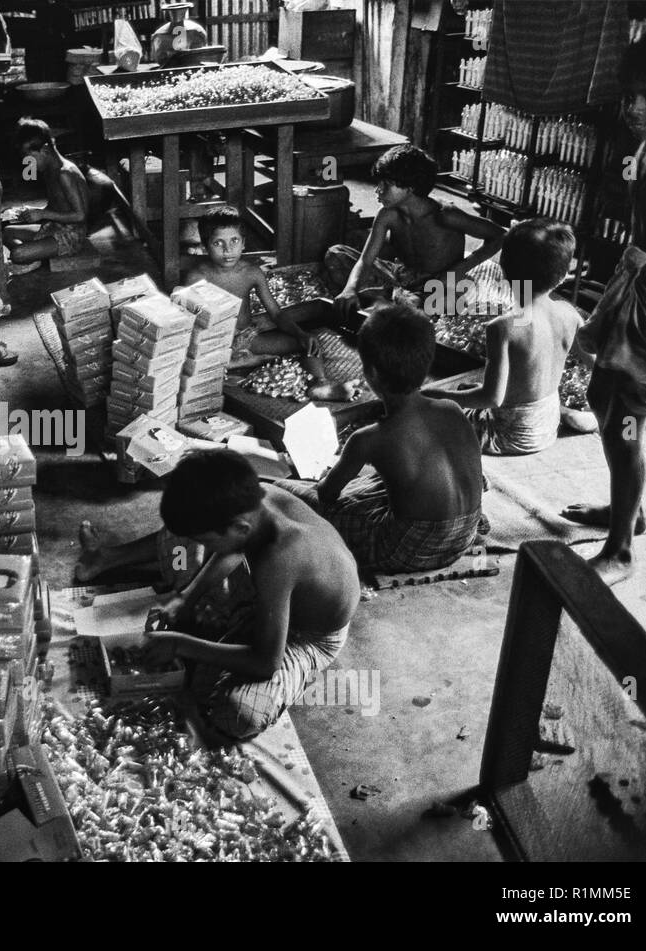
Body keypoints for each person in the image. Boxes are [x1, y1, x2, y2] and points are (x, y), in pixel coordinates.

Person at [562, 25, 646, 585]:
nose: (633, 108)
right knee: (601, 395)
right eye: (629, 94)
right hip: (640, 279)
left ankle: (621, 550)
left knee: (628, 416)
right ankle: (627, 510)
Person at [137, 450, 360, 741]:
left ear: (241, 527)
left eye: (207, 541)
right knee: (177, 536)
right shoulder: (257, 500)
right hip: (273, 591)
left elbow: (265, 662)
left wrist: (181, 645)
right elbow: (235, 547)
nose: (203, 547)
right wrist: (187, 597)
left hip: (311, 636)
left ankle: (291, 672)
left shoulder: (280, 558)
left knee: (235, 711)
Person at [275, 303, 487, 574]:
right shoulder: (452, 409)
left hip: (406, 550)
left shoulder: (370, 439)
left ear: (371, 373)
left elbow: (326, 494)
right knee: (379, 482)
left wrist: (323, 473)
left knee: (287, 494)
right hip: (465, 533)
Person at [421, 218, 582, 455]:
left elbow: (492, 399)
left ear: (504, 268)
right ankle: (576, 417)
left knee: (427, 412)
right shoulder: (569, 314)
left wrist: (436, 395)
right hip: (547, 427)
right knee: (468, 388)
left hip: (509, 435)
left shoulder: (503, 327)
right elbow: (598, 364)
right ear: (562, 276)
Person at [186, 208, 358, 402]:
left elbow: (276, 314)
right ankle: (236, 362)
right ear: (205, 246)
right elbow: (189, 324)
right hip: (213, 342)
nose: (228, 250)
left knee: (309, 344)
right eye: (218, 243)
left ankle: (319, 384)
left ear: (243, 243)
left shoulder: (252, 273)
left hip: (247, 337)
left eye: (234, 241)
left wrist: (300, 334)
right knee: (189, 360)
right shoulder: (197, 277)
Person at [326, 145, 505, 318]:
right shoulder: (387, 214)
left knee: (422, 310)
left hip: (438, 284)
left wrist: (460, 269)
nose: (378, 190)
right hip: (401, 275)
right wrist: (350, 289)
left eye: (386, 184)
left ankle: (393, 300)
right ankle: (394, 298)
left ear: (410, 188)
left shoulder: (444, 215)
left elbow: (499, 235)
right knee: (336, 254)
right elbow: (366, 261)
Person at [2, 119, 91, 274]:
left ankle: (32, 256)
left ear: (44, 149)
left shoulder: (65, 173)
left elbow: (80, 215)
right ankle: (35, 255)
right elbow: (58, 205)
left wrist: (43, 214)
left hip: (71, 235)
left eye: (30, 158)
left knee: (17, 254)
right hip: (52, 227)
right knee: (7, 232)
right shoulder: (49, 169)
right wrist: (36, 211)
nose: (28, 163)